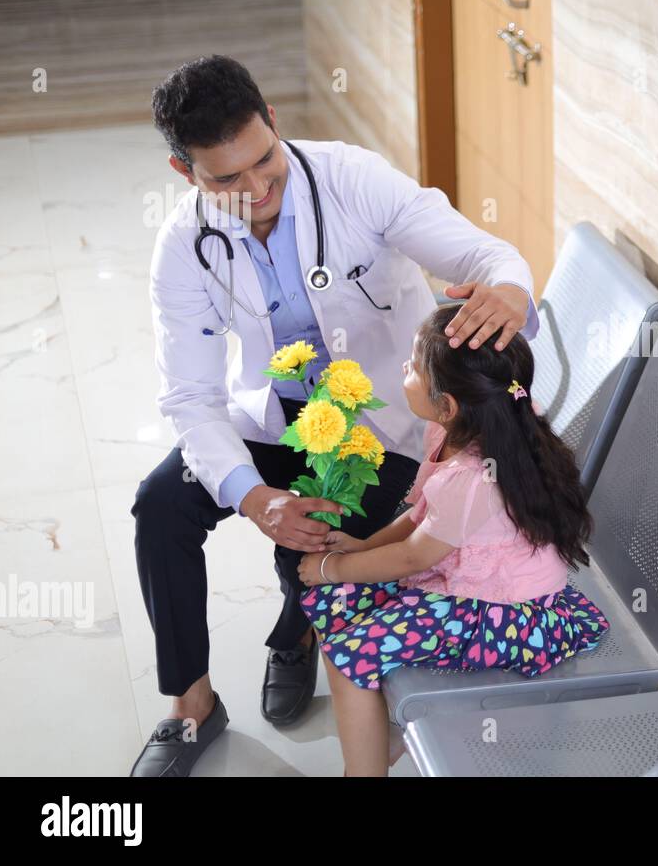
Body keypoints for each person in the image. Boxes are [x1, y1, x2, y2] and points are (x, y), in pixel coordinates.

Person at [130, 55, 539, 777]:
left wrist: (506, 287)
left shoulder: (353, 179)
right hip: (272, 418)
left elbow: (483, 251)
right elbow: (190, 397)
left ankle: (298, 625)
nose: (256, 190)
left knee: (364, 535)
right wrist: (256, 499)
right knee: (161, 504)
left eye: (266, 162)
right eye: (227, 180)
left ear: (275, 124)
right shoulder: (183, 249)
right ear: (182, 170)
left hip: (382, 421)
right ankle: (191, 703)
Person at [297, 307, 609, 775]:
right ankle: (380, 741)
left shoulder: (473, 479)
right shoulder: (470, 425)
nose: (405, 370)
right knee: (335, 603)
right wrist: (360, 551)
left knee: (348, 657)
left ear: (448, 404)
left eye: (415, 368)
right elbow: (421, 518)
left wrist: (329, 568)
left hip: (508, 614)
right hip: (464, 576)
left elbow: (411, 555)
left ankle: (364, 769)